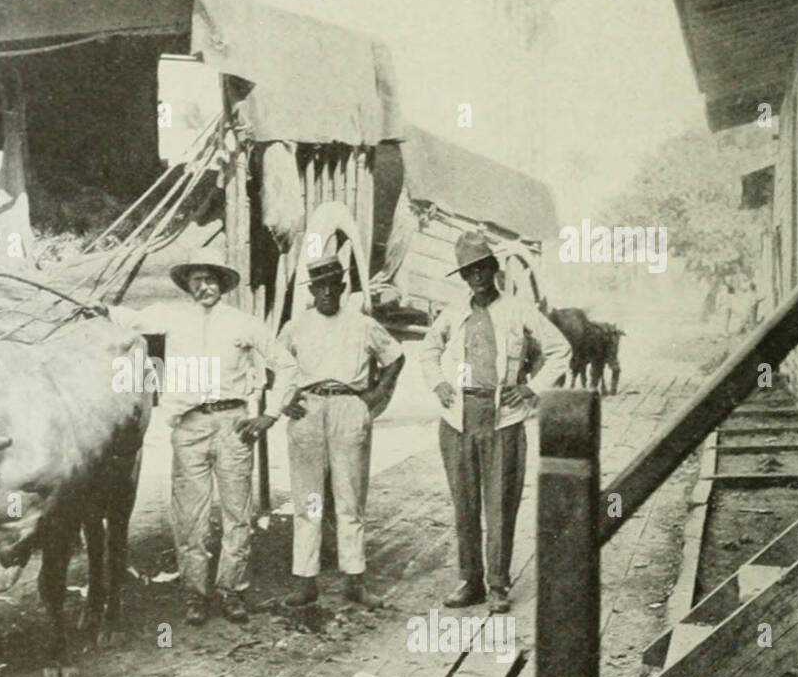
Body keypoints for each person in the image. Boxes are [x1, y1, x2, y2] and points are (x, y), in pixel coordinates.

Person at [92, 245, 300, 626]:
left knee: (239, 513)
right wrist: (98, 307)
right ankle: (195, 594)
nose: (205, 286)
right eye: (197, 279)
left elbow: (286, 365)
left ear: (222, 283)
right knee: (190, 518)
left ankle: (231, 591)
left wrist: (269, 416)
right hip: (188, 427)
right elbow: (127, 318)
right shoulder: (169, 317)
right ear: (186, 284)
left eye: (211, 279)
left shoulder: (243, 322)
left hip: (233, 424)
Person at [417, 232, 570, 614]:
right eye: (469, 272)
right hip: (458, 419)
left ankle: (498, 584)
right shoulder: (453, 313)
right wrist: (438, 383)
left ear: (494, 269)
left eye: (482, 268)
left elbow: (559, 350)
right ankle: (470, 580)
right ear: (463, 277)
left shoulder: (518, 310)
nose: (476, 277)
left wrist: (532, 389)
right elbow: (428, 352)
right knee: (464, 504)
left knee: (501, 504)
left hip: (502, 419)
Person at [278, 256, 406, 610]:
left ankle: (354, 580)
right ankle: (305, 581)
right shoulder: (296, 327)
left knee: (350, 500)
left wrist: (375, 396)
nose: (327, 292)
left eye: (334, 285)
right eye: (320, 286)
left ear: (343, 288)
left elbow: (396, 357)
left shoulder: (362, 324)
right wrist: (284, 399)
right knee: (308, 503)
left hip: (349, 406)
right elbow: (275, 363)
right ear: (312, 289)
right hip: (308, 409)